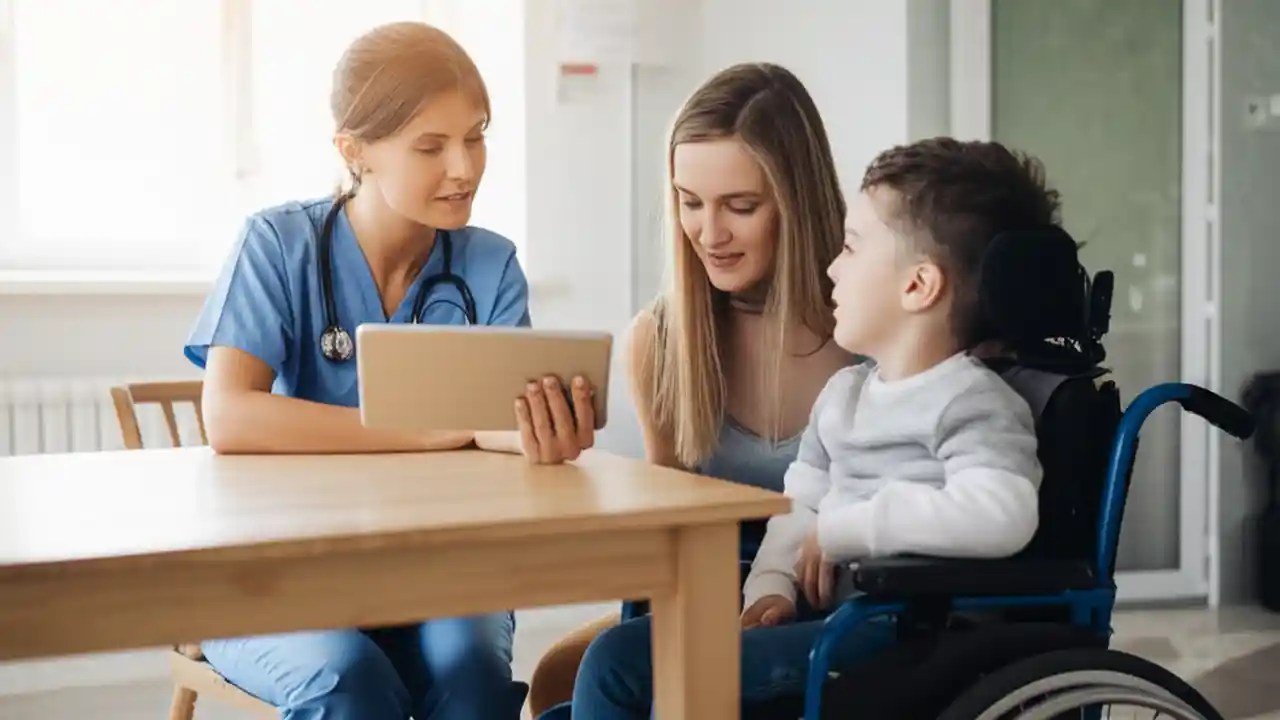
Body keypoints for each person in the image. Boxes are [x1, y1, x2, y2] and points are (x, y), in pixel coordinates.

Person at [184, 22, 593, 720]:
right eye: (431, 147)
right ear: (355, 151)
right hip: (280, 567)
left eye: (477, 135)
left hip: (441, 562)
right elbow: (229, 415)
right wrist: (430, 430)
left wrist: (540, 433)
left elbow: (498, 424)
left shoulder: (490, 267)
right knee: (350, 683)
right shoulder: (277, 244)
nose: (464, 168)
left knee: (473, 684)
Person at [570, 137, 1053, 718]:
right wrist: (770, 588)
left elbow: (1004, 512)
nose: (831, 266)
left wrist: (851, 529)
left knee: (621, 665)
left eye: (851, 249)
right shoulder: (845, 395)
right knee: (587, 692)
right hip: (827, 625)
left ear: (918, 286)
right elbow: (799, 507)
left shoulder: (971, 401)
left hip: (906, 641)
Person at [526, 62, 853, 716]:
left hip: (835, 604)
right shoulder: (662, 341)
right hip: (713, 596)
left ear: (797, 198)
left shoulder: (865, 330)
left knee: (604, 675)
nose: (709, 234)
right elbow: (668, 538)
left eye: (741, 206)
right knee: (559, 696)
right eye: (689, 201)